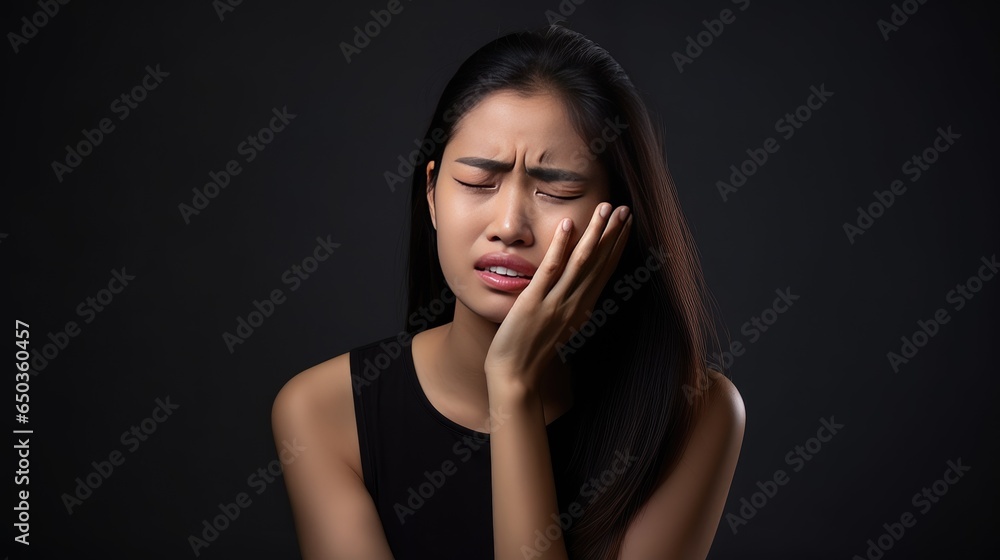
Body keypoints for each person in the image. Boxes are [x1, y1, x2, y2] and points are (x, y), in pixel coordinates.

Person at [272, 23, 745, 560]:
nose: (510, 225)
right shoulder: (322, 411)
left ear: (616, 215)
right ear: (431, 195)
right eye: (477, 183)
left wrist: (514, 387)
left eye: (557, 188)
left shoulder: (695, 414)